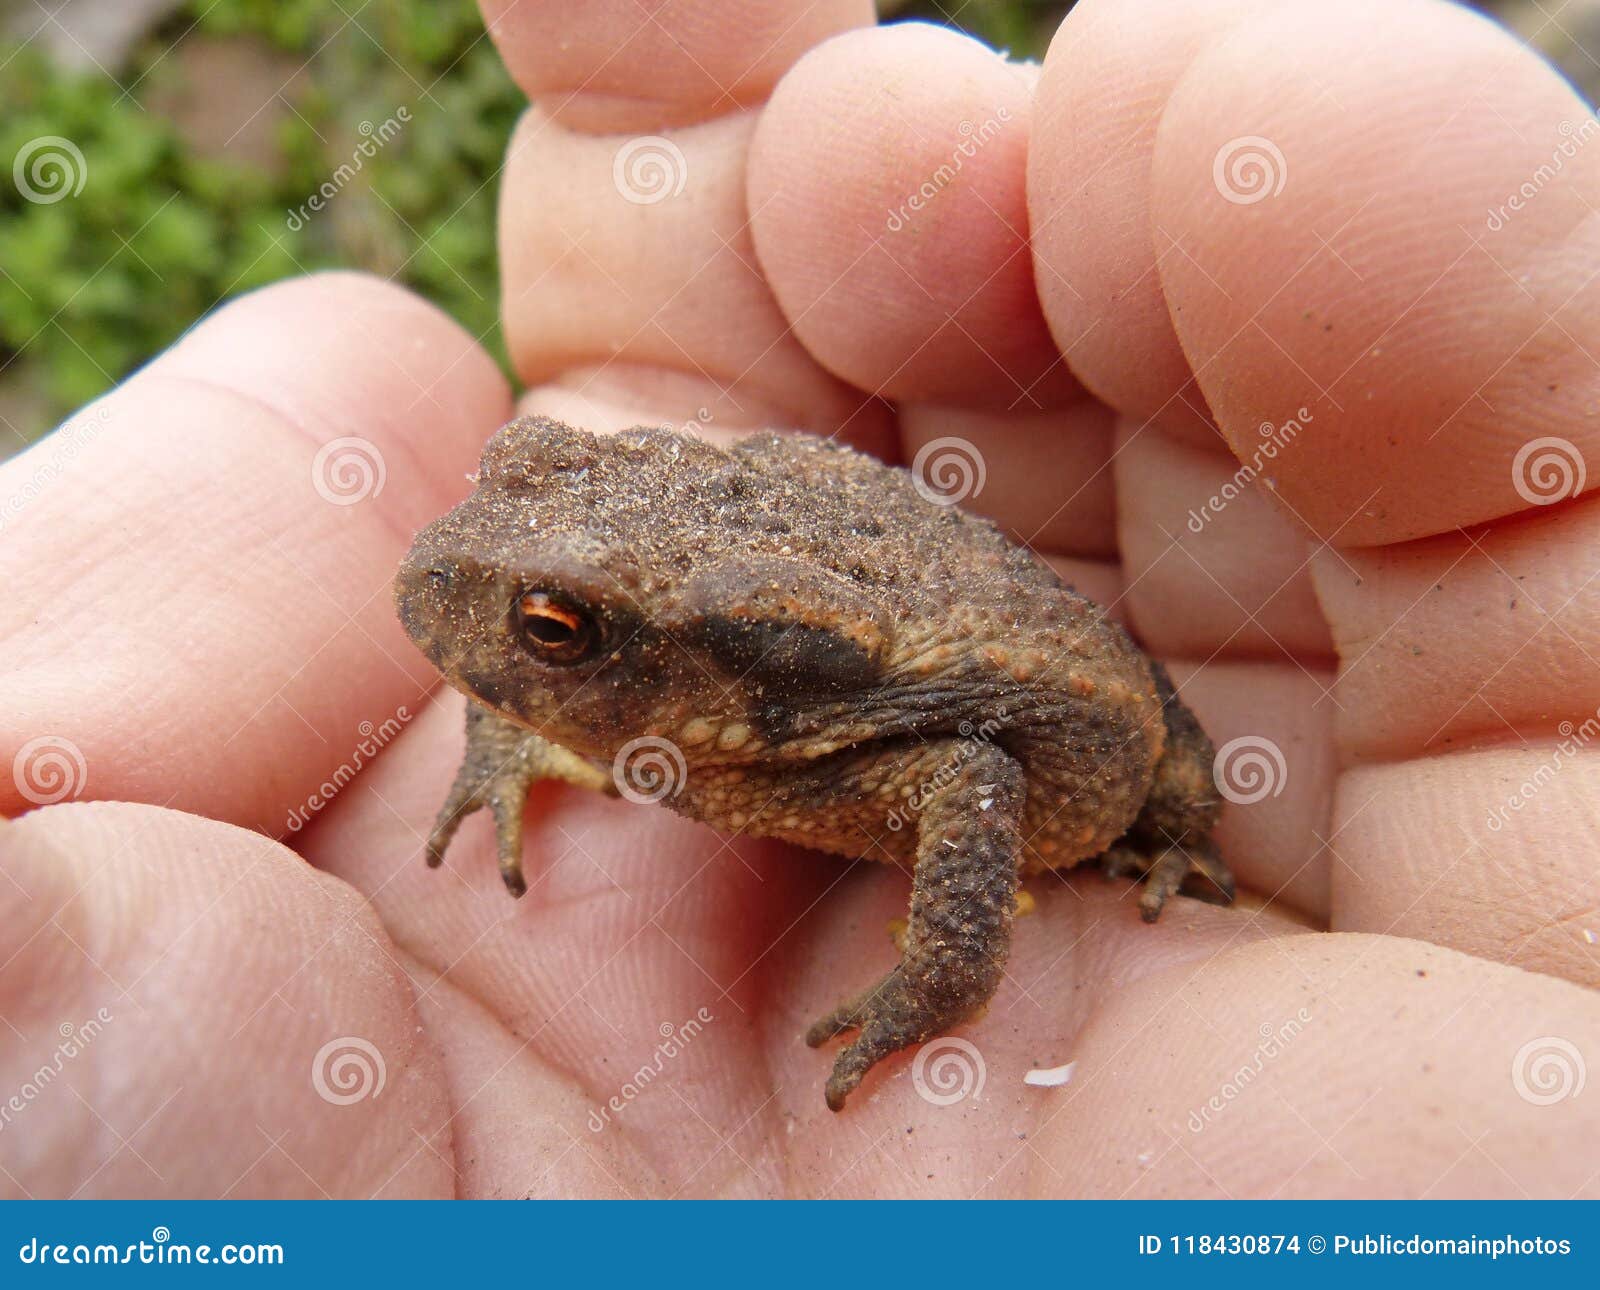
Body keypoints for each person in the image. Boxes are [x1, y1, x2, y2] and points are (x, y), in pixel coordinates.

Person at [1, 0, 1597, 1199]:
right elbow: (575, 626)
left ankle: (1171, 822)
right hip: (799, 605)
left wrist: (944, 974)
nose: (491, 635)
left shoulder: (808, 714)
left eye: (548, 637)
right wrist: (516, 725)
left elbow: (972, 768)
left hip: (1063, 726)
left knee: (1151, 756)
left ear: (708, 680)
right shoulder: (670, 685)